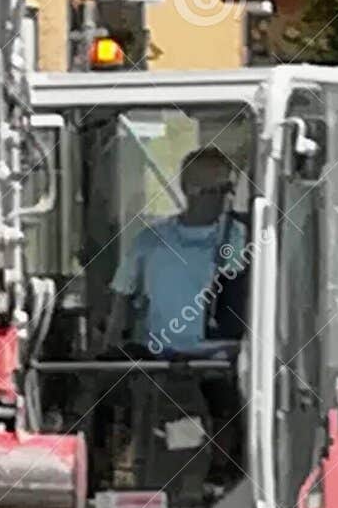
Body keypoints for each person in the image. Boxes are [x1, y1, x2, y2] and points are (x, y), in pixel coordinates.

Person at [104, 146, 248, 356]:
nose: (218, 199)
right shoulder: (150, 241)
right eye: (207, 191)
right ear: (185, 188)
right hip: (159, 363)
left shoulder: (244, 240)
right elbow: (120, 304)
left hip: (219, 363)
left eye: (224, 190)